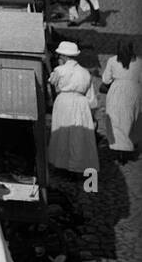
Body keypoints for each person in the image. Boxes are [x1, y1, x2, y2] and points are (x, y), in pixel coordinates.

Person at [47, 40, 99, 174]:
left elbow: (52, 85)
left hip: (64, 101)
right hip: (81, 103)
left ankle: (61, 164)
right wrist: (92, 114)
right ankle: (77, 166)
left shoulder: (59, 70)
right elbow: (92, 99)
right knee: (78, 135)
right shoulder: (85, 73)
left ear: (63, 56)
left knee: (62, 132)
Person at [101, 41, 141, 160]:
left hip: (116, 91)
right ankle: (130, 144)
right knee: (132, 117)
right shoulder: (139, 62)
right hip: (134, 91)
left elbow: (106, 80)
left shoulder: (112, 61)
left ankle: (118, 147)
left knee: (116, 118)